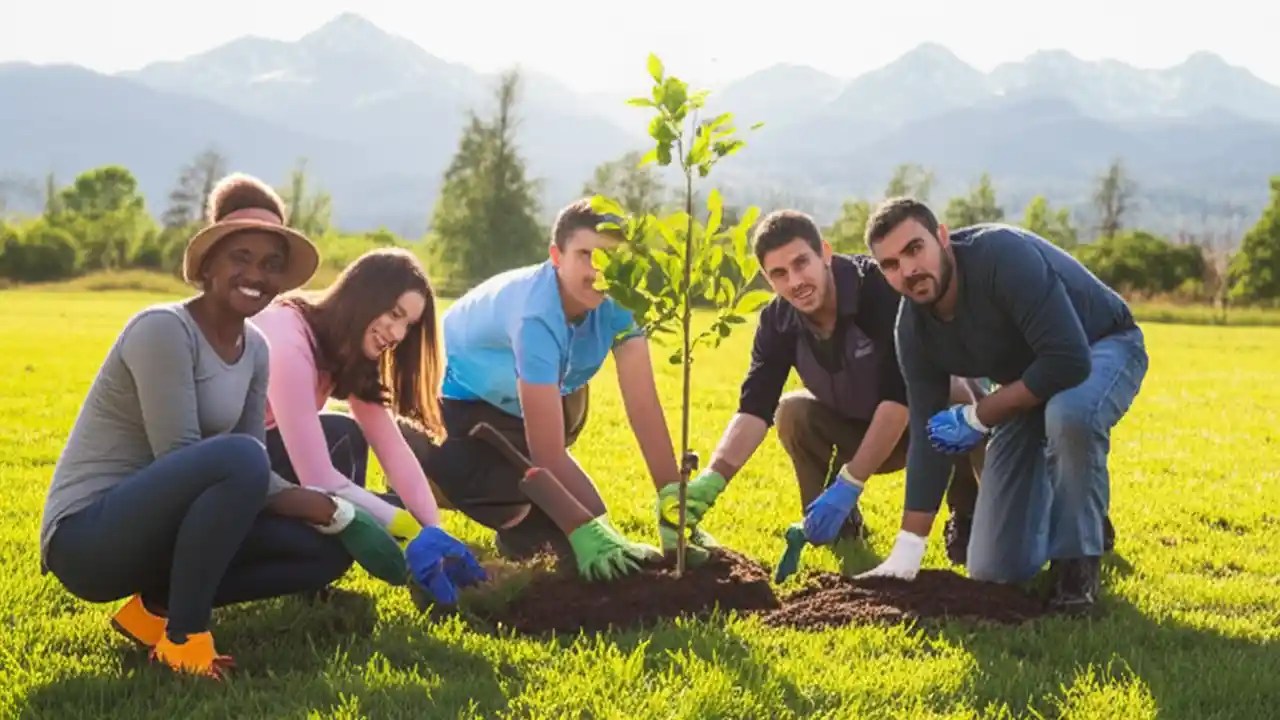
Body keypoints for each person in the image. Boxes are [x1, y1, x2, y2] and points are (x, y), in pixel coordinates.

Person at [38, 172, 371, 680]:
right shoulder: (162, 330)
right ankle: (184, 640)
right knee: (241, 457)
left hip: (165, 530)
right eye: (241, 257)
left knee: (321, 554)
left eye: (271, 265)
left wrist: (332, 511)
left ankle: (152, 610)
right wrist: (302, 500)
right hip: (90, 540)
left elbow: (247, 461)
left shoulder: (257, 348)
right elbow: (190, 457)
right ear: (209, 264)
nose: (255, 274)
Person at [860, 197, 1147, 614]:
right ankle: (1077, 507)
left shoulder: (1001, 256)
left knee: (1068, 414)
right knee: (993, 569)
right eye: (890, 264)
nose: (908, 270)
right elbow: (928, 437)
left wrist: (978, 416)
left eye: (914, 249)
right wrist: (907, 552)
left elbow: (1067, 360)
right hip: (1026, 382)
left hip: (1100, 344)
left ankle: (1076, 572)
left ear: (942, 236)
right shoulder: (913, 330)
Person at [665, 209, 986, 564]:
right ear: (767, 279)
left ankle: (969, 513)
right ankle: (835, 521)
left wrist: (850, 482)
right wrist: (712, 480)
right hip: (855, 425)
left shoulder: (878, 289)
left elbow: (900, 397)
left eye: (802, 263)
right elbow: (754, 407)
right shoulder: (778, 321)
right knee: (792, 411)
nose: (795, 281)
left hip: (919, 429)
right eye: (780, 274)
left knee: (955, 394)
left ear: (826, 253)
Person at [397, 198, 674, 580]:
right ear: (556, 256)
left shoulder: (620, 300)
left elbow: (644, 409)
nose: (599, 271)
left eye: (611, 259)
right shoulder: (535, 316)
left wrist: (672, 498)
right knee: (549, 530)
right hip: (459, 403)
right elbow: (547, 454)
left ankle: (516, 517)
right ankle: (431, 474)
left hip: (531, 398)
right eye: (585, 255)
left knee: (572, 524)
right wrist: (594, 528)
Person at [250, 247, 486, 605]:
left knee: (345, 433)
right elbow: (319, 478)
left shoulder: (349, 349)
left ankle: (318, 561)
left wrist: (434, 530)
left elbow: (392, 449)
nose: (397, 333)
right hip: (217, 470)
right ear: (363, 297)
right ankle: (308, 564)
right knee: (338, 542)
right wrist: (405, 527)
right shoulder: (289, 343)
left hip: (257, 456)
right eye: (394, 315)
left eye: (407, 325)